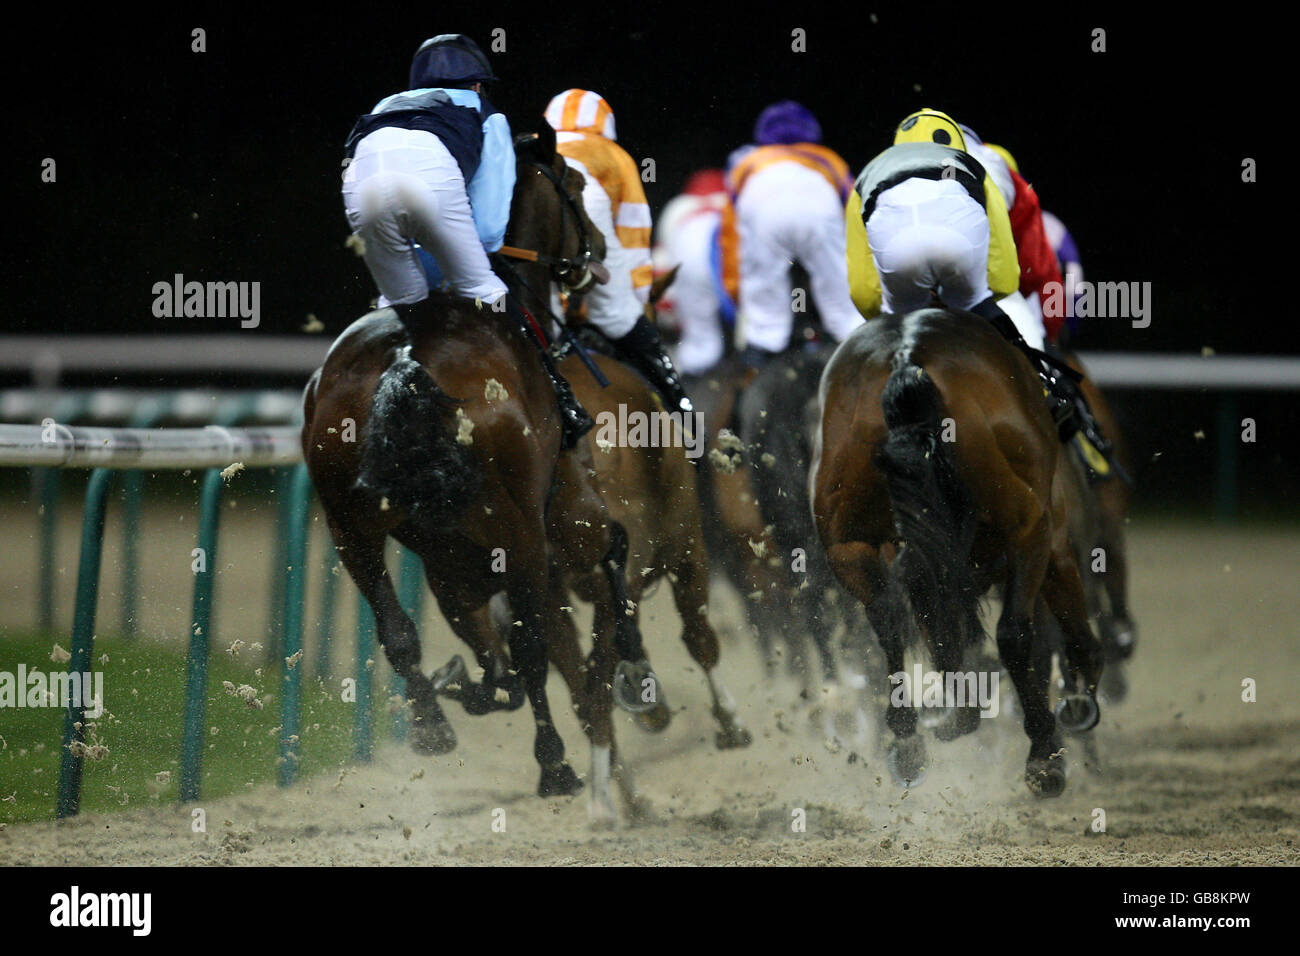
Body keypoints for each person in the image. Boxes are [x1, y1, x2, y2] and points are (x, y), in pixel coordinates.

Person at [342, 35, 592, 447]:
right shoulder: (486, 114)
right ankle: (560, 399)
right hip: (432, 187)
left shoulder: (384, 107)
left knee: (402, 305)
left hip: (358, 188)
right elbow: (490, 230)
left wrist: (428, 269)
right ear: (477, 85)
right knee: (485, 290)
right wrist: (461, 265)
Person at [845, 108, 1113, 468]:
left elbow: (863, 284)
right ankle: (1059, 412)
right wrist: (1049, 339)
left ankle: (844, 422)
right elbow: (1033, 270)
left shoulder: (878, 168)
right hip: (975, 277)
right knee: (1029, 347)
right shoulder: (994, 166)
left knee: (858, 345)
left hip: (903, 281)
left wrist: (879, 316)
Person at [544, 89, 694, 419]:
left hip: (535, 199)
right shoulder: (612, 153)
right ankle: (685, 417)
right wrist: (639, 299)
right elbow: (632, 235)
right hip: (587, 206)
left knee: (543, 318)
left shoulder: (536, 146)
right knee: (617, 314)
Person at [720, 100, 864, 366]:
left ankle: (757, 360)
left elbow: (730, 238)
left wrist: (739, 295)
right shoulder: (828, 158)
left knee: (765, 318)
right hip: (819, 214)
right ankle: (855, 346)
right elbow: (856, 215)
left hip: (763, 213)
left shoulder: (747, 163)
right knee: (842, 305)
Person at [652, 169, 729, 375]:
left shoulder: (678, 209)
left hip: (688, 271)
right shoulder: (730, 204)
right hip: (730, 265)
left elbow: (661, 265)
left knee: (698, 349)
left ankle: (692, 375)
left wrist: (669, 314)